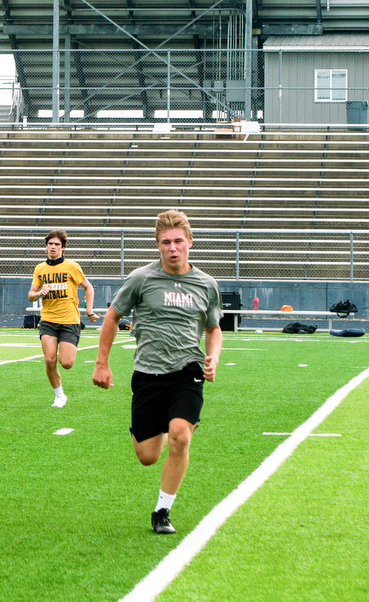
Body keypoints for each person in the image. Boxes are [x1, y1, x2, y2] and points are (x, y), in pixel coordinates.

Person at [93, 210, 222, 535]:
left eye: (179, 241)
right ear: (158, 245)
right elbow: (111, 317)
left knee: (180, 436)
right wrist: (102, 363)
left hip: (187, 371)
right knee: (148, 455)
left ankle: (162, 510)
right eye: (166, 242)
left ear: (190, 242)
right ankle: (159, 426)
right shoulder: (141, 279)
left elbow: (214, 328)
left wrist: (214, 357)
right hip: (148, 374)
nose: (173, 248)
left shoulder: (206, 284)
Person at [29, 230, 98, 408]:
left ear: (63, 248)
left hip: (69, 320)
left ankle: (65, 351)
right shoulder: (40, 269)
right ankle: (59, 396)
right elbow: (30, 295)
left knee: (66, 363)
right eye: (50, 244)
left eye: (57, 244)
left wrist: (89, 310)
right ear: (46, 246)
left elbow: (88, 287)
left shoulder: (72, 266)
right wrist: (38, 293)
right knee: (49, 360)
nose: (53, 247)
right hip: (48, 320)